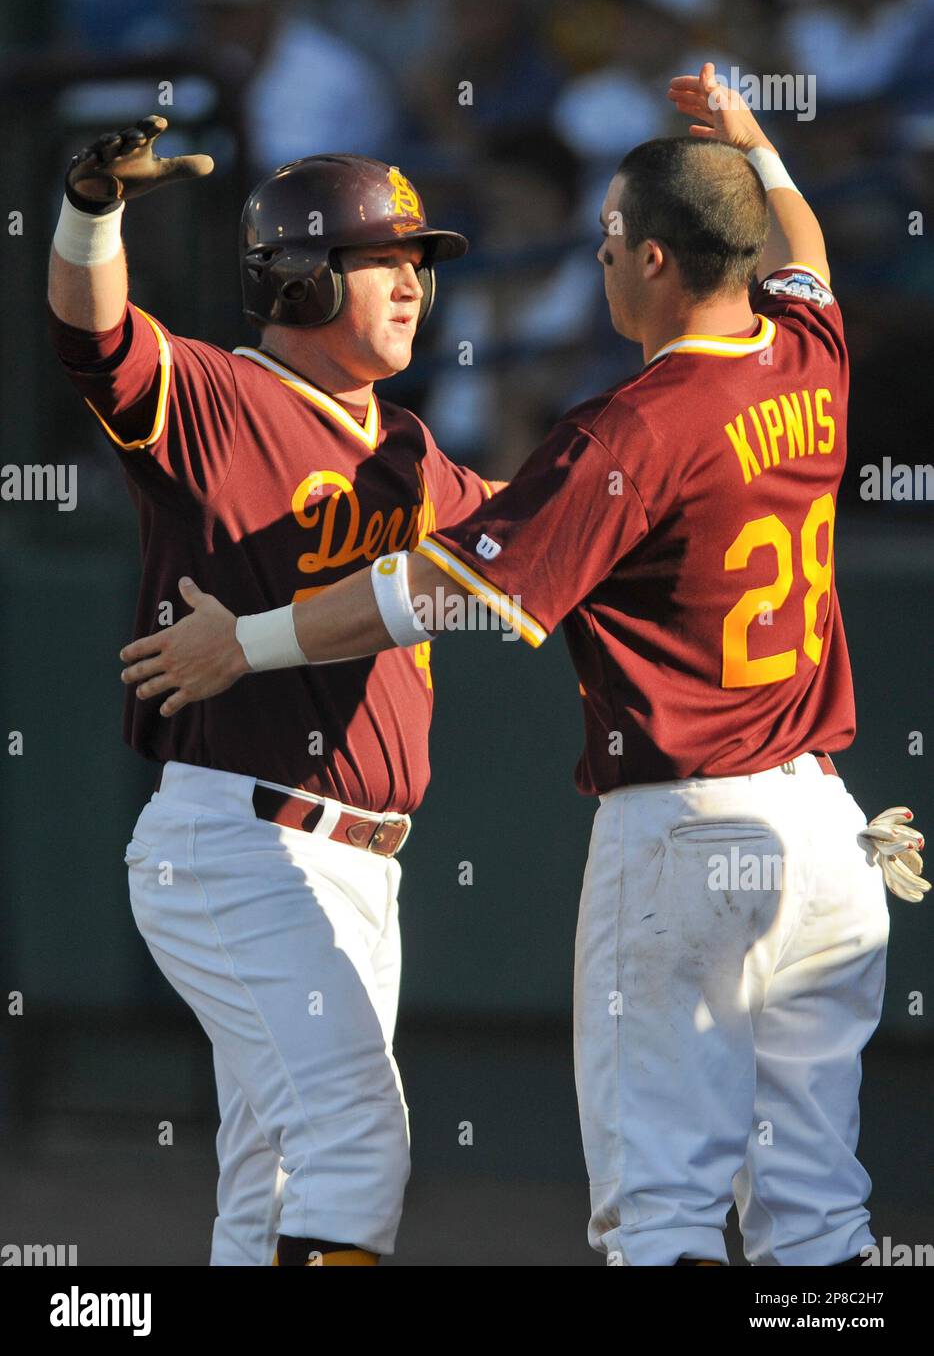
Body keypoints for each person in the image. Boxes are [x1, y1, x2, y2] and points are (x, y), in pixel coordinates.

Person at [121, 65, 931, 1267]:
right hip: (824, 840)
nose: (598, 256)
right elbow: (797, 234)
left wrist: (243, 639)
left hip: (689, 835)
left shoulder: (629, 430)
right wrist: (753, 141)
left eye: (611, 236)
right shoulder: (810, 352)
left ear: (655, 259)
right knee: (814, 1212)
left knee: (659, 1211)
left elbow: (429, 593)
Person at [48, 116, 502, 1267]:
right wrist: (92, 211)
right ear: (298, 278)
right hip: (243, 840)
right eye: (382, 258)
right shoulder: (216, 395)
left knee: (275, 1176)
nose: (412, 283)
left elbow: (521, 538)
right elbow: (94, 337)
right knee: (355, 1140)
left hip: (358, 864)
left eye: (420, 263)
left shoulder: (406, 448)